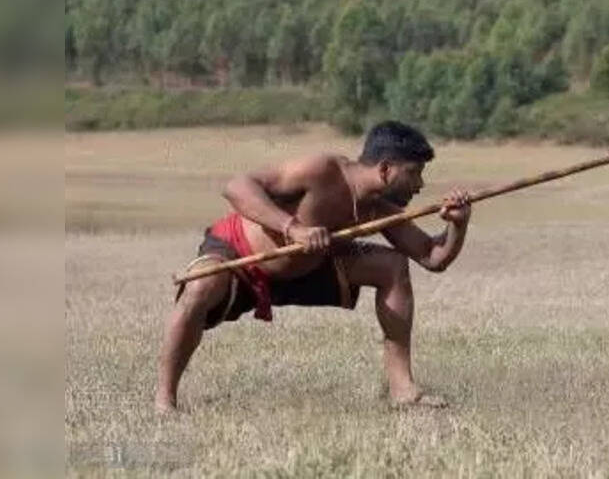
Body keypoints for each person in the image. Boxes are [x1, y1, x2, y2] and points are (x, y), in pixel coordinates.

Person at [154, 120, 470, 413]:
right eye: (414, 173)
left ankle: (403, 390)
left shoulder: (377, 208)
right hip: (240, 253)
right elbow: (237, 186)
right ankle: (165, 399)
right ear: (386, 169)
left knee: (392, 266)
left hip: (308, 266)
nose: (420, 184)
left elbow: (432, 256)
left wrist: (458, 225)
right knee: (199, 286)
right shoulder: (322, 171)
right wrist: (293, 228)